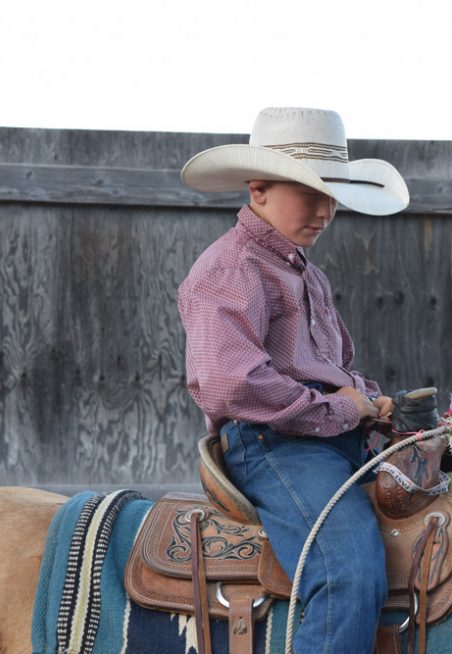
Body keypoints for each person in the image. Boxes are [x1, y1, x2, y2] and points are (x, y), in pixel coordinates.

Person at [177, 107, 410, 653]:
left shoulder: (307, 273)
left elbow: (329, 371)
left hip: (327, 440)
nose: (325, 210)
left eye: (333, 196)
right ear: (258, 189)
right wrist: (345, 409)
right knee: (350, 574)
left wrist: (371, 401)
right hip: (274, 445)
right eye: (310, 193)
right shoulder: (232, 268)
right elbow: (232, 384)